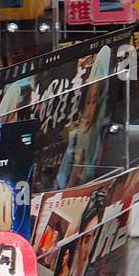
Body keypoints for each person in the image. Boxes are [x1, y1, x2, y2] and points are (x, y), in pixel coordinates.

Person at [55, 47, 112, 189]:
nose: (91, 108)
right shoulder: (74, 132)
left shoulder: (97, 134)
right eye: (89, 102)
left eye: (94, 103)